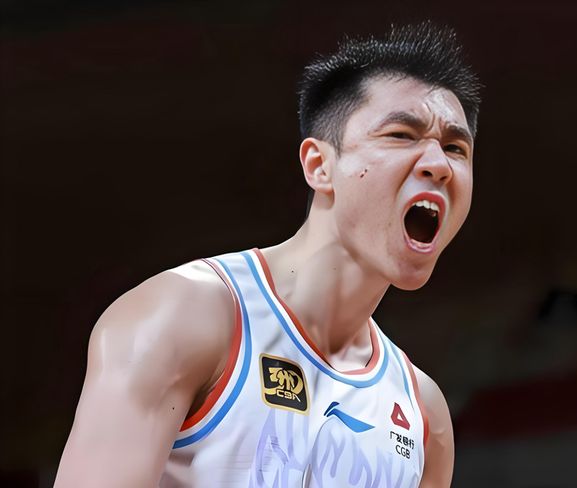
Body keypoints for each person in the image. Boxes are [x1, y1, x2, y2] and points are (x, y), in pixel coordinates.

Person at [55, 21, 480, 488]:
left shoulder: (423, 415)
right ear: (320, 165)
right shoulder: (184, 316)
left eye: (455, 148)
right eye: (400, 135)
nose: (438, 164)